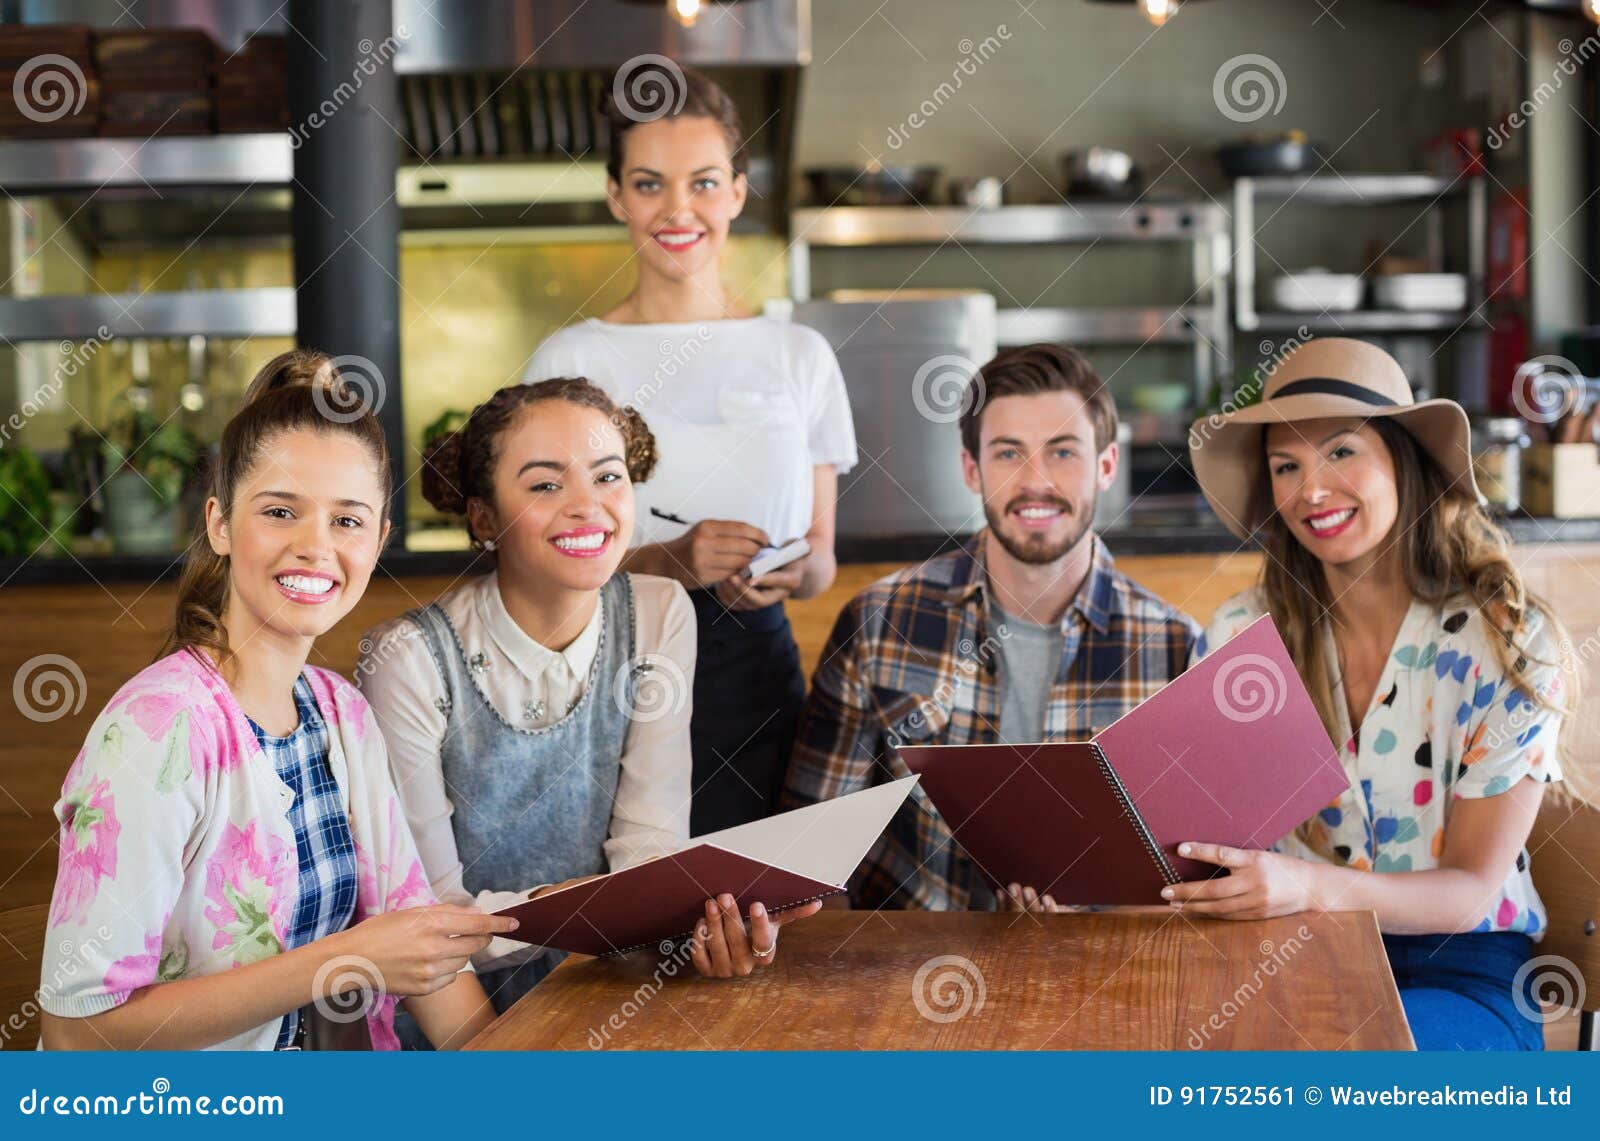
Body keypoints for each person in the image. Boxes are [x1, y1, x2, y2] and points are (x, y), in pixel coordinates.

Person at [37, 351, 514, 1051]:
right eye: (281, 510)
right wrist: (337, 963)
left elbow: (421, 946)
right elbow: (78, 1030)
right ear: (221, 523)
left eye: (347, 521)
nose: (315, 546)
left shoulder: (342, 711)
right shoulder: (156, 728)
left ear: (380, 539)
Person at [360, 378, 818, 1024]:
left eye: (609, 477)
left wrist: (696, 926)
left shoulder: (659, 612)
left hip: (612, 1003)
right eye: (546, 485)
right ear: (484, 518)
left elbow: (648, 848)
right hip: (449, 1025)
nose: (588, 506)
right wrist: (576, 906)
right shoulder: (407, 658)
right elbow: (427, 915)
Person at [1180, 337, 1577, 1051]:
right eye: (1286, 466)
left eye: (1340, 451)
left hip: (1462, 973)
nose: (1312, 489)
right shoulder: (1243, 636)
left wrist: (1308, 887)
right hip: (1289, 961)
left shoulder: (1503, 641)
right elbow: (1210, 835)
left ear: (1405, 458)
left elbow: (1472, 888)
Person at [523, 62, 856, 835]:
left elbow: (823, 559)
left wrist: (795, 570)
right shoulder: (568, 362)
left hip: (758, 678)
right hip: (608, 674)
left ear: (739, 190)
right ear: (615, 196)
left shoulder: (800, 354)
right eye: (649, 185)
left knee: (761, 913)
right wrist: (667, 560)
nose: (679, 209)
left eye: (705, 182)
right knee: (624, 914)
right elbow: (528, 569)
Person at [782, 344, 1200, 911]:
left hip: (1106, 978)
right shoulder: (879, 623)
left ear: (1106, 466)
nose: (1036, 481)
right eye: (1009, 454)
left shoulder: (1176, 649)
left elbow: (1193, 885)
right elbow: (810, 857)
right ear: (971, 469)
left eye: (1062, 452)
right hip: (908, 973)